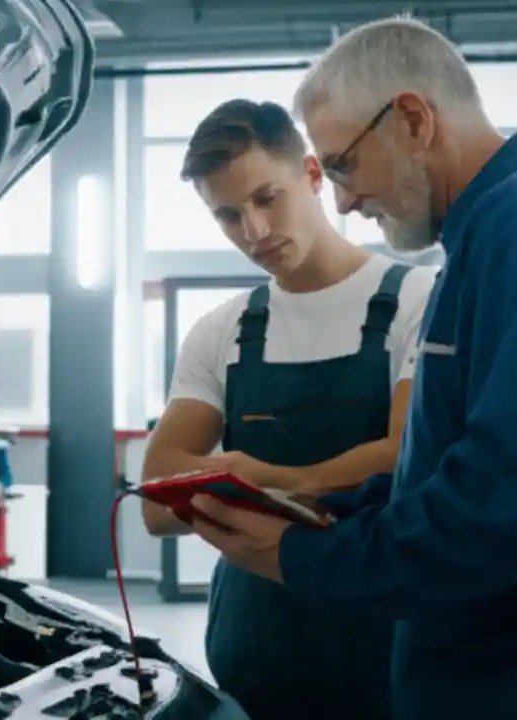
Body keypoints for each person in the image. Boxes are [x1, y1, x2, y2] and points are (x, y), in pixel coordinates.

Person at [185, 16, 517, 720]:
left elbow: (510, 503)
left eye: (342, 165)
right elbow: (455, 464)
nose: (342, 199)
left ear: (412, 119)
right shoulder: (498, 233)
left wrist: (304, 559)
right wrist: (327, 513)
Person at [139, 98, 434, 719]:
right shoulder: (222, 330)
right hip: (255, 651)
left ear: (312, 174)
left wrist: (256, 476)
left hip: (384, 647)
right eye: (228, 215)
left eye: (266, 198)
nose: (253, 231)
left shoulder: (418, 301)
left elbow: (409, 460)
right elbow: (157, 501)